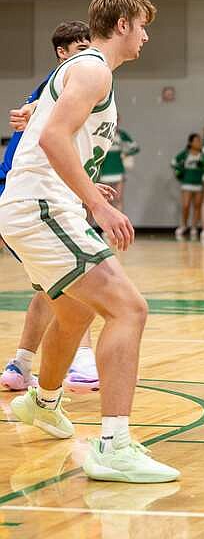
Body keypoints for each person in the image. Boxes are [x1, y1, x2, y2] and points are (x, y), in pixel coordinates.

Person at [0, 0, 178, 483]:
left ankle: (43, 403)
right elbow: (53, 136)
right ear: (122, 24)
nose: (145, 36)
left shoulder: (84, 71)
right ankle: (114, 446)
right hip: (40, 207)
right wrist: (98, 204)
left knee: (75, 312)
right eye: (142, 26)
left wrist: (82, 185)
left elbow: (44, 131)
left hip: (38, 204)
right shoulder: (93, 68)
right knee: (129, 309)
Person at [1, 21, 101, 394]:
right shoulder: (73, 76)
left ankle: (20, 365)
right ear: (63, 52)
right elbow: (39, 116)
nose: (89, 54)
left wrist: (85, 184)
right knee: (79, 276)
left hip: (30, 191)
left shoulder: (64, 82)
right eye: (81, 47)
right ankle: (81, 360)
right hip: (27, 194)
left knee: (49, 285)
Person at [96, 122, 138, 212]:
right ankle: (106, 221)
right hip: (104, 171)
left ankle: (119, 220)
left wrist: (125, 154)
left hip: (118, 171)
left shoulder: (120, 134)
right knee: (106, 200)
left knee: (118, 199)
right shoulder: (101, 133)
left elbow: (135, 147)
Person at [172, 133, 204, 240]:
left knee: (197, 205)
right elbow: (174, 162)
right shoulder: (185, 154)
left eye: (199, 141)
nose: (199, 143)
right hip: (187, 183)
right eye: (196, 141)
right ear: (190, 143)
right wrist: (179, 173)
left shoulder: (202, 154)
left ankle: (194, 227)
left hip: (198, 183)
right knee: (186, 205)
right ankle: (184, 225)